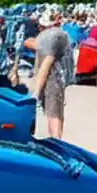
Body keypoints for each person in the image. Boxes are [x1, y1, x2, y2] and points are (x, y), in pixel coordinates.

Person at [32, 10, 74, 139]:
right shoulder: (57, 35)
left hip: (54, 79)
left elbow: (47, 63)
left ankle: (56, 142)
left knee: (54, 113)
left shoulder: (55, 36)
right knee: (53, 112)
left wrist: (36, 92)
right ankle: (55, 140)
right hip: (55, 79)